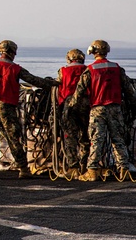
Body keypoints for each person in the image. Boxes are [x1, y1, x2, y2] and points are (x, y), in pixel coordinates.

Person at [0, 39, 57, 180]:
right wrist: (52, 84)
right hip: (6, 104)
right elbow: (34, 80)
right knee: (13, 137)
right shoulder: (15, 68)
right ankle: (23, 169)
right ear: (12, 52)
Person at [68, 39, 136, 181]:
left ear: (93, 51)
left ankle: (92, 170)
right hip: (116, 108)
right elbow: (129, 90)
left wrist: (70, 108)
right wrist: (135, 105)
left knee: (96, 139)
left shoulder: (90, 70)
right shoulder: (117, 68)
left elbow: (79, 92)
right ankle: (124, 169)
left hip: (98, 109)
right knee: (118, 139)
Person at [56, 48, 90, 176]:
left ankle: (73, 167)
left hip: (69, 104)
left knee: (70, 135)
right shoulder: (88, 70)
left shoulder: (63, 71)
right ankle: (86, 166)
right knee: (87, 135)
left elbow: (58, 84)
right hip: (87, 103)